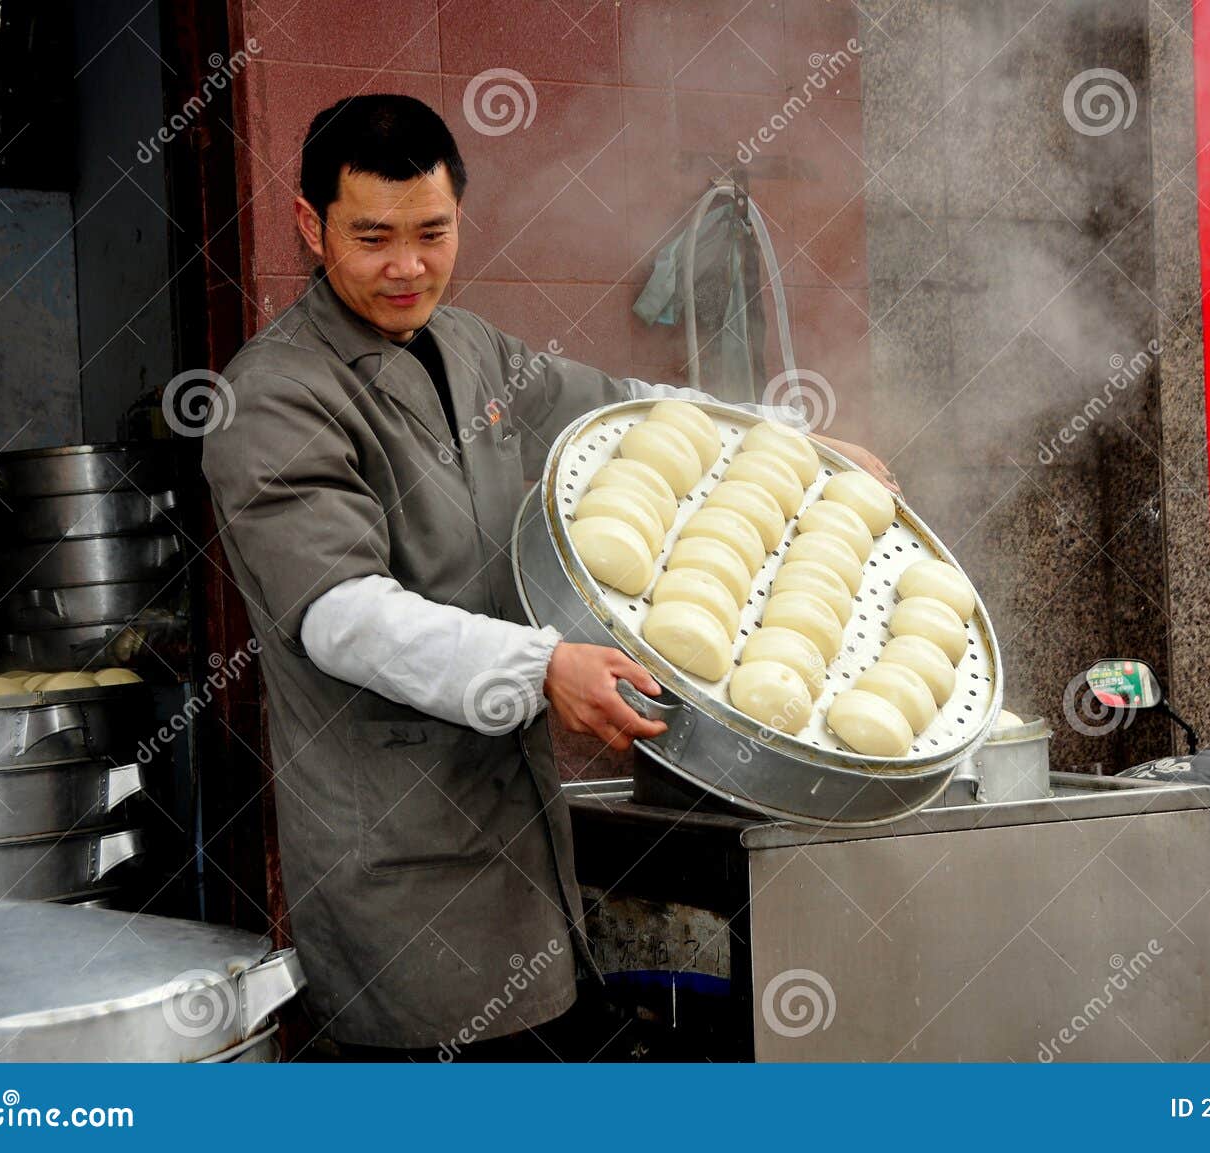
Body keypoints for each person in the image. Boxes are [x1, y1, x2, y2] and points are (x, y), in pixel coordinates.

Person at [201, 94, 896, 1059]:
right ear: (308, 226)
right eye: (373, 237)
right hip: (398, 863)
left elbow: (634, 412)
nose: (407, 266)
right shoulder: (272, 396)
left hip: (520, 839)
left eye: (431, 232)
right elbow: (340, 616)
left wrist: (789, 444)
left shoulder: (472, 349)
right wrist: (541, 669)